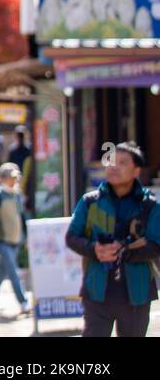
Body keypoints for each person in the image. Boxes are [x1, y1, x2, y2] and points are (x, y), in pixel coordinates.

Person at [65, 141, 160, 337]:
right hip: (96, 291)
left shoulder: (150, 205)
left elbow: (156, 245)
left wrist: (124, 252)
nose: (114, 166)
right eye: (111, 161)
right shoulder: (90, 201)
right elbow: (72, 237)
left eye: (122, 162)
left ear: (136, 171)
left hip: (137, 292)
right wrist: (94, 249)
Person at [0, 162, 30, 315]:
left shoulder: (17, 194)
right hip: (2, 240)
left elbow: (21, 216)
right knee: (13, 272)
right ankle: (23, 301)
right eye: (11, 178)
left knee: (2, 272)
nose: (14, 181)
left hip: (16, 239)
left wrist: (26, 236)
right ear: (3, 178)